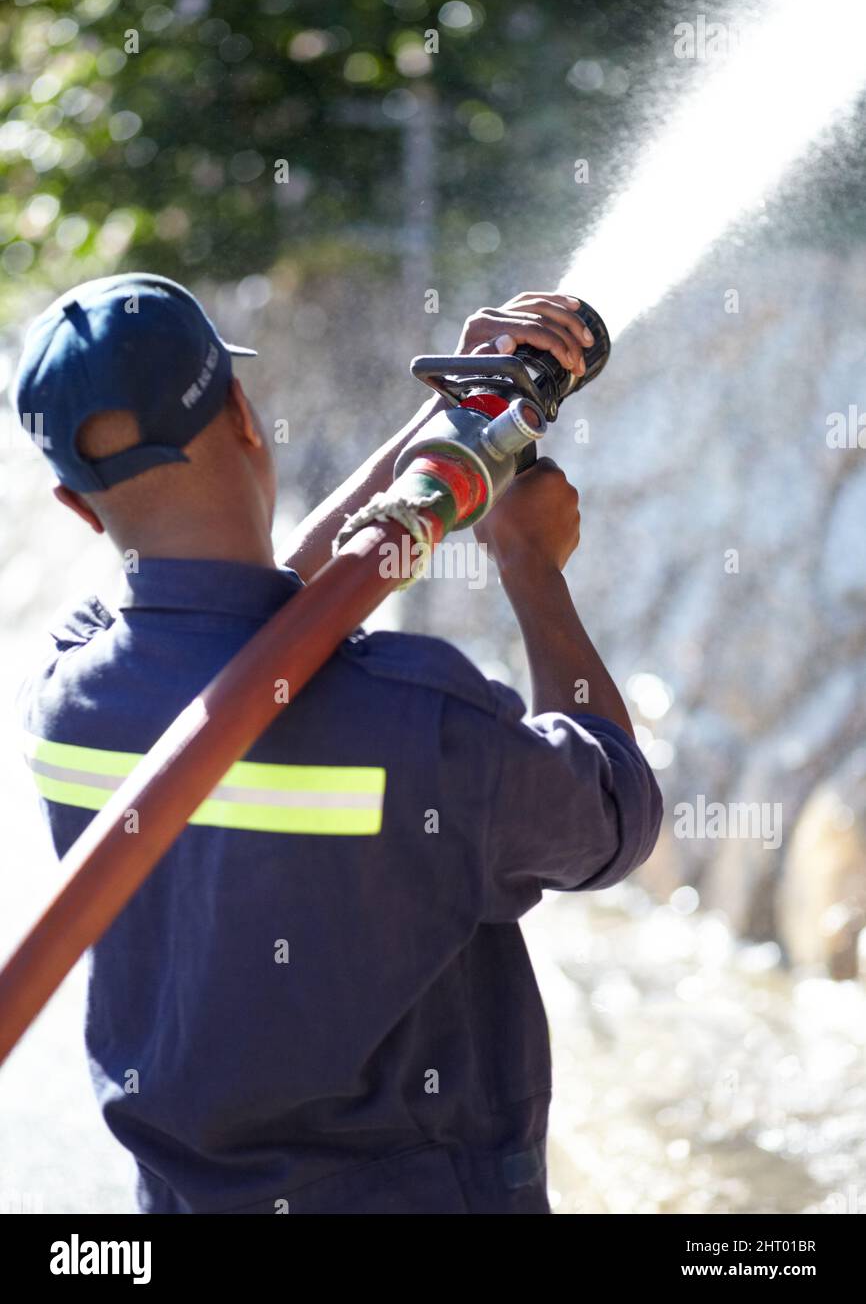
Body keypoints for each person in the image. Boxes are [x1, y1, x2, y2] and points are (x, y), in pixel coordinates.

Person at [14, 272, 662, 1215]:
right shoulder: (421, 725)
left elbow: (246, 619)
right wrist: (530, 565)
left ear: (75, 506)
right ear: (245, 414)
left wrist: (453, 426)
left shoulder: (66, 701)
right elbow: (617, 810)